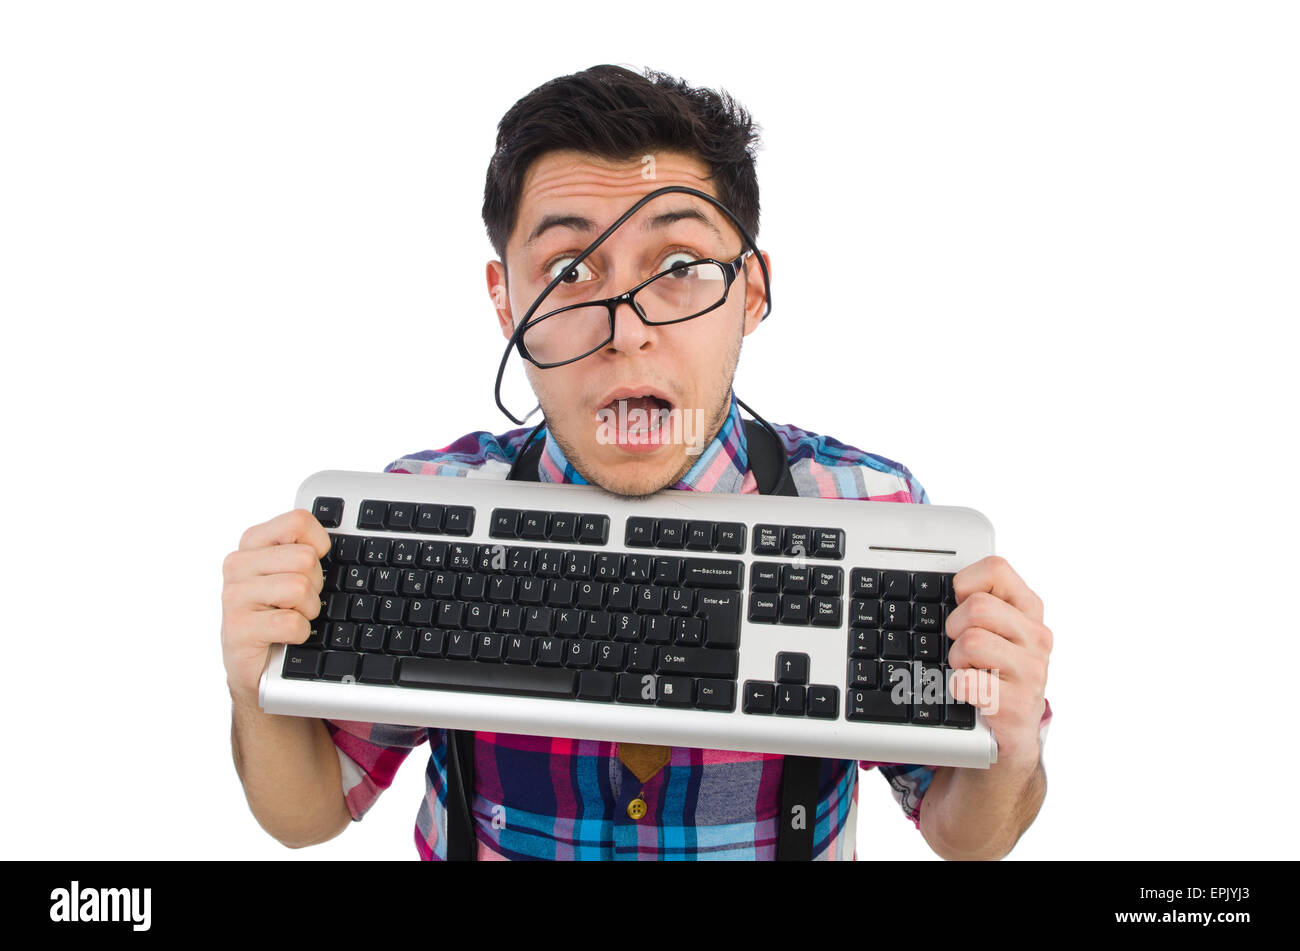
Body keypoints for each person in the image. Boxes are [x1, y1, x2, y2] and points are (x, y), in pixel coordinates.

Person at [221, 64, 1053, 860]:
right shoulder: (418, 505)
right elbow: (311, 812)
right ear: (506, 301)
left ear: (753, 292)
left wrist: (1007, 748)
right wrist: (255, 684)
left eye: (683, 267)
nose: (627, 332)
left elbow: (961, 831)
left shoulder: (873, 511)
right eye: (570, 271)